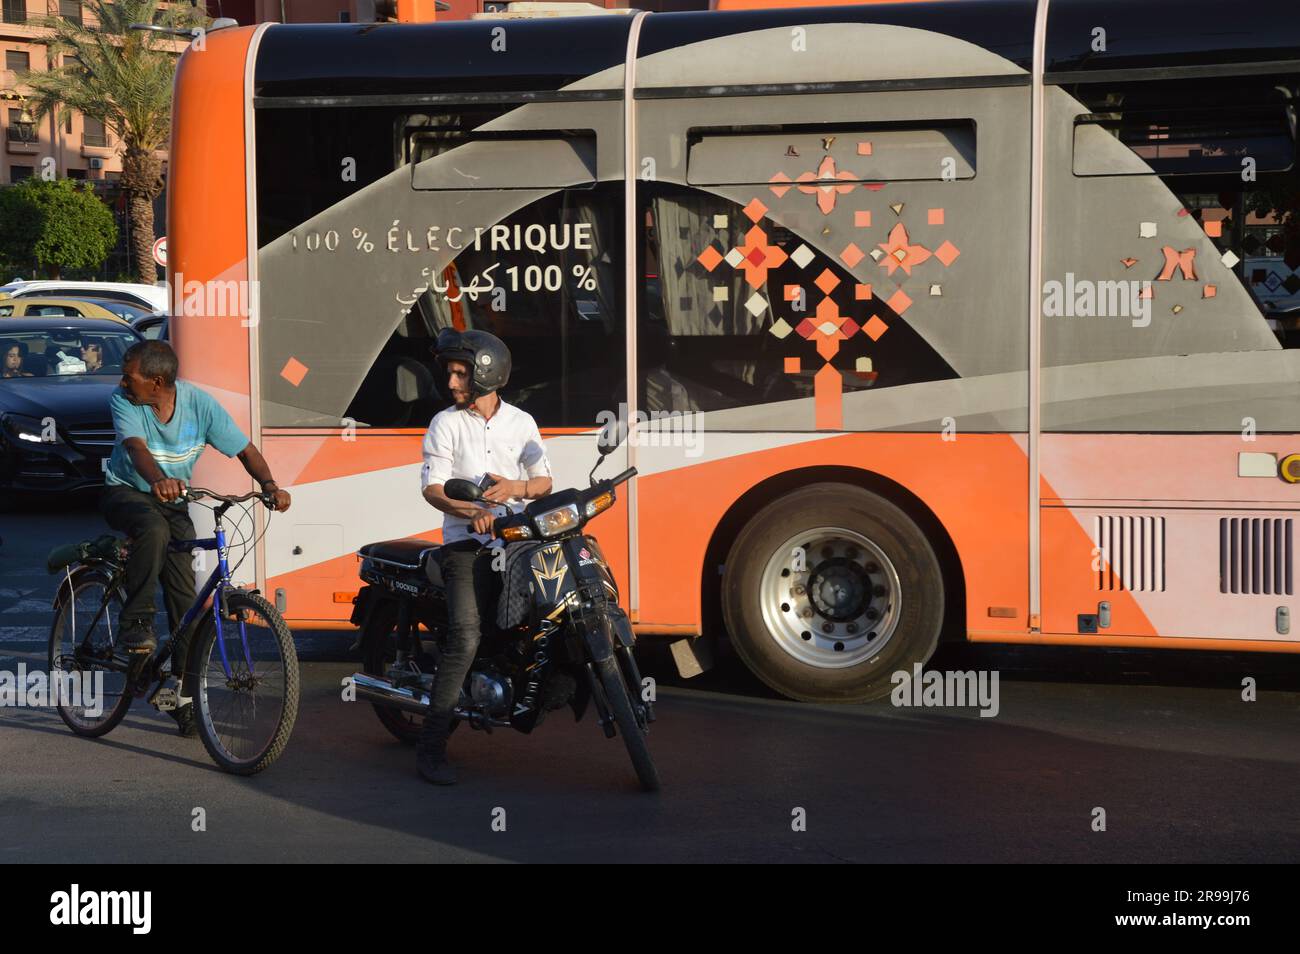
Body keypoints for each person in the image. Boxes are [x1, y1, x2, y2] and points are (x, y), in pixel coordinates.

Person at [102, 340, 292, 736]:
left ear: (157, 381)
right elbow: (135, 448)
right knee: (152, 530)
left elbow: (244, 449)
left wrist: (270, 485)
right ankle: (135, 623)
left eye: (129, 374)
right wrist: (159, 480)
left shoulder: (198, 404)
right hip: (126, 492)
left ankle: (183, 698)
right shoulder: (124, 401)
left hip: (173, 501)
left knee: (186, 606)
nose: (122, 380)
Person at [417, 328, 552, 784]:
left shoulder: (522, 423)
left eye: (461, 373)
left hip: (515, 541)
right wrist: (472, 510)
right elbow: (433, 488)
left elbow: (543, 482)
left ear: (487, 374)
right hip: (465, 545)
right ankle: (431, 747)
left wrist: (515, 489)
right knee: (466, 637)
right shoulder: (445, 423)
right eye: (450, 373)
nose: (452, 382)